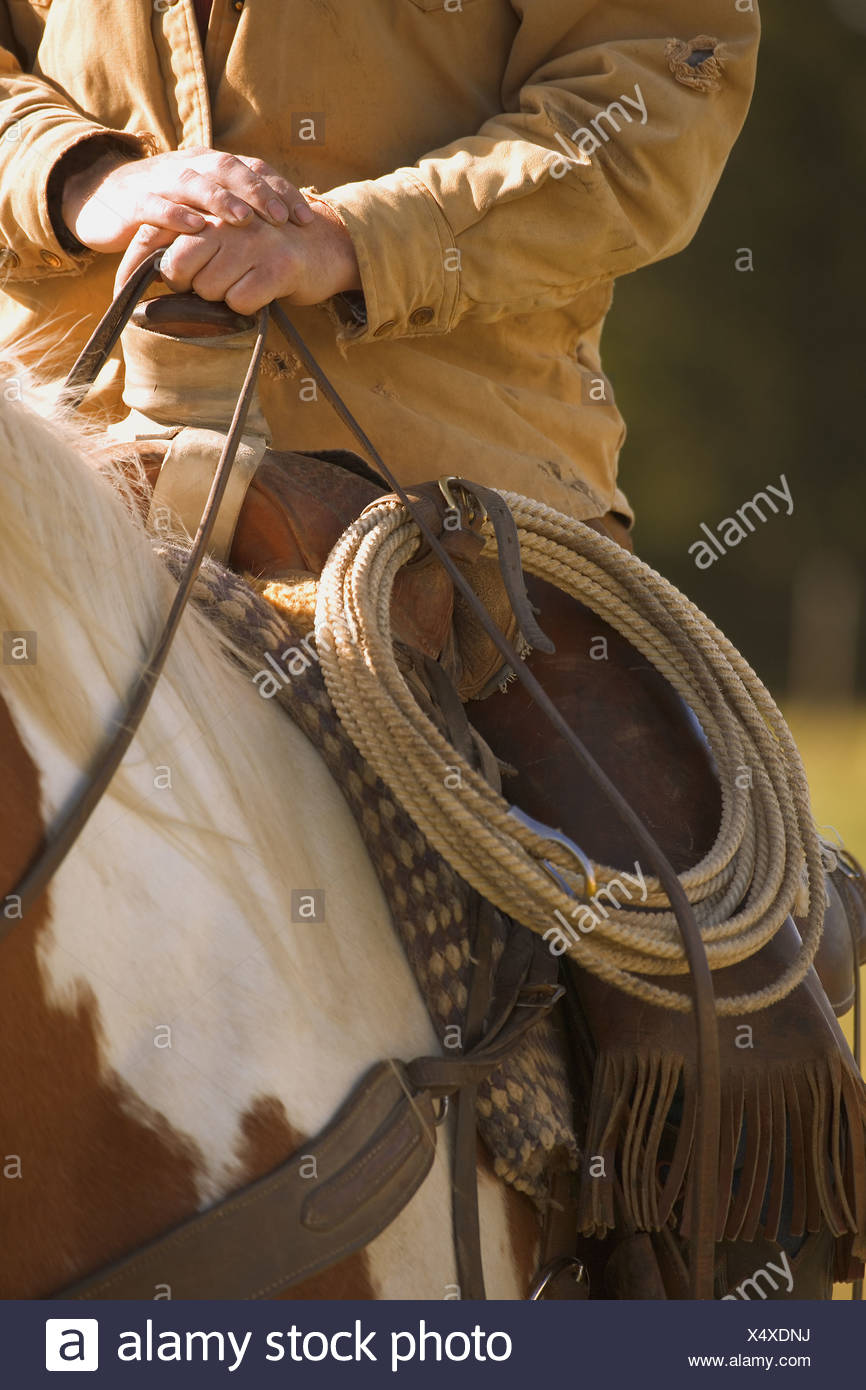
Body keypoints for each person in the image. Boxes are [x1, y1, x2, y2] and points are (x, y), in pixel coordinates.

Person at [0, 0, 760, 544]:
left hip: (460, 507)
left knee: (624, 769)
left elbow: (650, 102)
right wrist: (74, 176)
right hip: (42, 474)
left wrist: (352, 240)